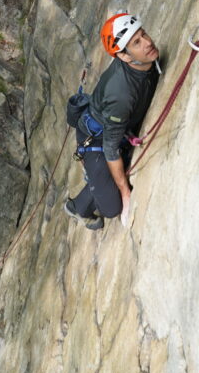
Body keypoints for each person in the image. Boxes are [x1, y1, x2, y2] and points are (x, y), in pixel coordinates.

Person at [65, 13, 160, 230]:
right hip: (96, 139)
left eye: (143, 35)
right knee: (111, 208)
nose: (148, 43)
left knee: (111, 176)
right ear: (124, 56)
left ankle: (96, 182)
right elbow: (110, 147)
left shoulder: (144, 61)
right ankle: (79, 207)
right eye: (136, 42)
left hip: (111, 128)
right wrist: (126, 193)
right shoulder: (122, 94)